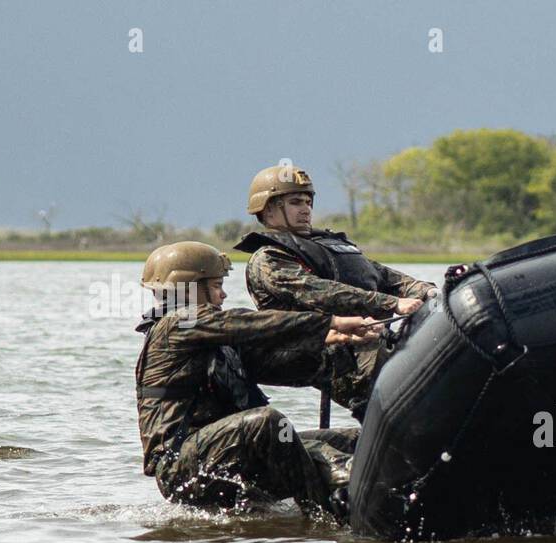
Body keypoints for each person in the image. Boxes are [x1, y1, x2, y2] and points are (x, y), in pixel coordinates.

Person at [134, 241, 378, 517]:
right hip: (181, 466)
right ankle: (327, 514)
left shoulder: (215, 342)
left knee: (355, 439)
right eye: (216, 286)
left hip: (232, 453)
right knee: (267, 421)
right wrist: (328, 322)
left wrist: (330, 341)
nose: (223, 295)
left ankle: (367, 489)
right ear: (189, 288)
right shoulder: (177, 325)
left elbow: (279, 360)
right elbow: (249, 323)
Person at [233, 164, 438, 422]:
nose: (306, 209)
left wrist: (427, 292)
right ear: (269, 209)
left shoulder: (326, 247)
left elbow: (384, 276)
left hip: (364, 337)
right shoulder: (269, 258)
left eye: (308, 202)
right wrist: (392, 304)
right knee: (390, 379)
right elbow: (319, 292)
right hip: (311, 349)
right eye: (296, 202)